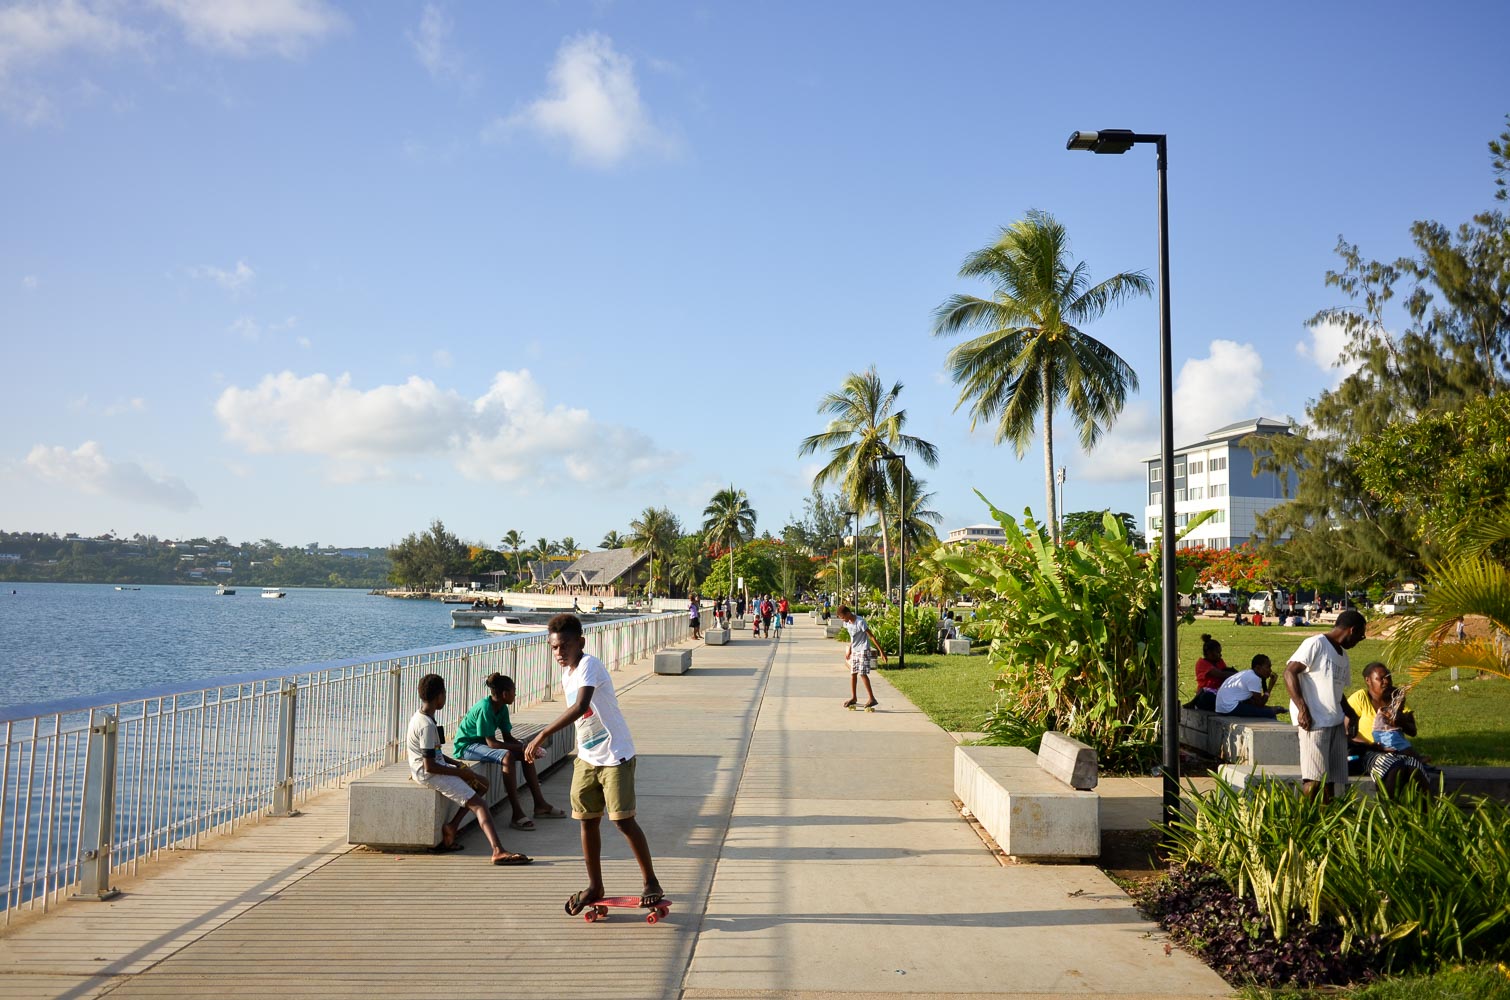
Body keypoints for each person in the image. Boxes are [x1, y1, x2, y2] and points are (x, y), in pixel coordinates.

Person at [525, 614, 663, 915]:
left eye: (565, 646)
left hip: (615, 755)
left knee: (622, 820)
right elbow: (581, 719)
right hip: (587, 757)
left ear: (580, 643)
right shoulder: (567, 674)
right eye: (554, 648)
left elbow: (581, 706)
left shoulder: (590, 665)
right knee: (587, 821)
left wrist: (543, 734)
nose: (559, 653)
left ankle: (651, 881)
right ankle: (595, 885)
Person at [406, 673, 531, 865]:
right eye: (445, 694)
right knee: (479, 805)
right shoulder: (426, 725)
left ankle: (452, 827)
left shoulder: (420, 717)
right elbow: (430, 765)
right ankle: (498, 850)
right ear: (440, 696)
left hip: (431, 767)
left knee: (482, 784)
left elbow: (434, 754)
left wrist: (457, 764)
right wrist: (460, 773)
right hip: (429, 774)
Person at [452, 673, 566, 831]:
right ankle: (517, 813)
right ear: (505, 694)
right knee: (507, 756)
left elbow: (507, 737)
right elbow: (492, 743)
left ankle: (540, 805)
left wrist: (527, 747)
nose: (516, 694)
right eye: (514, 691)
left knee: (525, 755)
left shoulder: (502, 708)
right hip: (467, 747)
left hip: (481, 745)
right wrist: (520, 747)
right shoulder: (486, 708)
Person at [1283, 610, 1367, 801]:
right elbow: (1289, 672)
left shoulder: (1343, 655)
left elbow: (1335, 689)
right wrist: (1302, 709)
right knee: (1314, 779)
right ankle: (1309, 821)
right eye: (1360, 636)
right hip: (1314, 722)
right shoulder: (1316, 643)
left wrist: (1350, 713)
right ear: (1352, 630)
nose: (1359, 641)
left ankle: (1326, 819)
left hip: (1335, 722)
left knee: (1331, 779)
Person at [1346, 662, 1433, 795]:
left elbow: (1412, 731)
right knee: (1394, 767)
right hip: (1368, 751)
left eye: (1388, 677)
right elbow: (1346, 731)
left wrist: (1400, 720)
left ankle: (1426, 810)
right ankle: (1387, 808)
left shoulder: (1395, 698)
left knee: (1413, 767)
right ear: (1368, 680)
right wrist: (1372, 745)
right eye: (1380, 678)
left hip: (1398, 750)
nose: (1386, 681)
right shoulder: (1361, 697)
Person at [836, 604, 886, 709]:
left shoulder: (860, 622)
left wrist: (881, 652)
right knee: (853, 673)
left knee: (862, 673)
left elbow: (871, 636)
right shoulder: (847, 623)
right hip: (855, 650)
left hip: (863, 650)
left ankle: (872, 698)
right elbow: (852, 637)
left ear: (848, 613)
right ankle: (854, 697)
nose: (843, 620)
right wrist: (850, 649)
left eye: (843, 617)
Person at [1214, 654, 1286, 719]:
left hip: (1222, 707)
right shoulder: (1254, 678)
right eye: (1268, 667)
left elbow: (1253, 702)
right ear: (1258, 668)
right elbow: (1260, 704)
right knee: (1271, 713)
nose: (1270, 670)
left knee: (1268, 710)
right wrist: (1270, 687)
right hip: (1229, 708)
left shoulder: (1248, 673)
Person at [1189, 634, 1236, 711]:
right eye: (1218, 652)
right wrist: (1238, 675)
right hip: (1206, 694)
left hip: (1220, 692)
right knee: (1207, 697)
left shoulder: (1219, 661)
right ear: (1209, 653)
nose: (1220, 655)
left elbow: (1226, 671)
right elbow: (1220, 674)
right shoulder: (1202, 663)